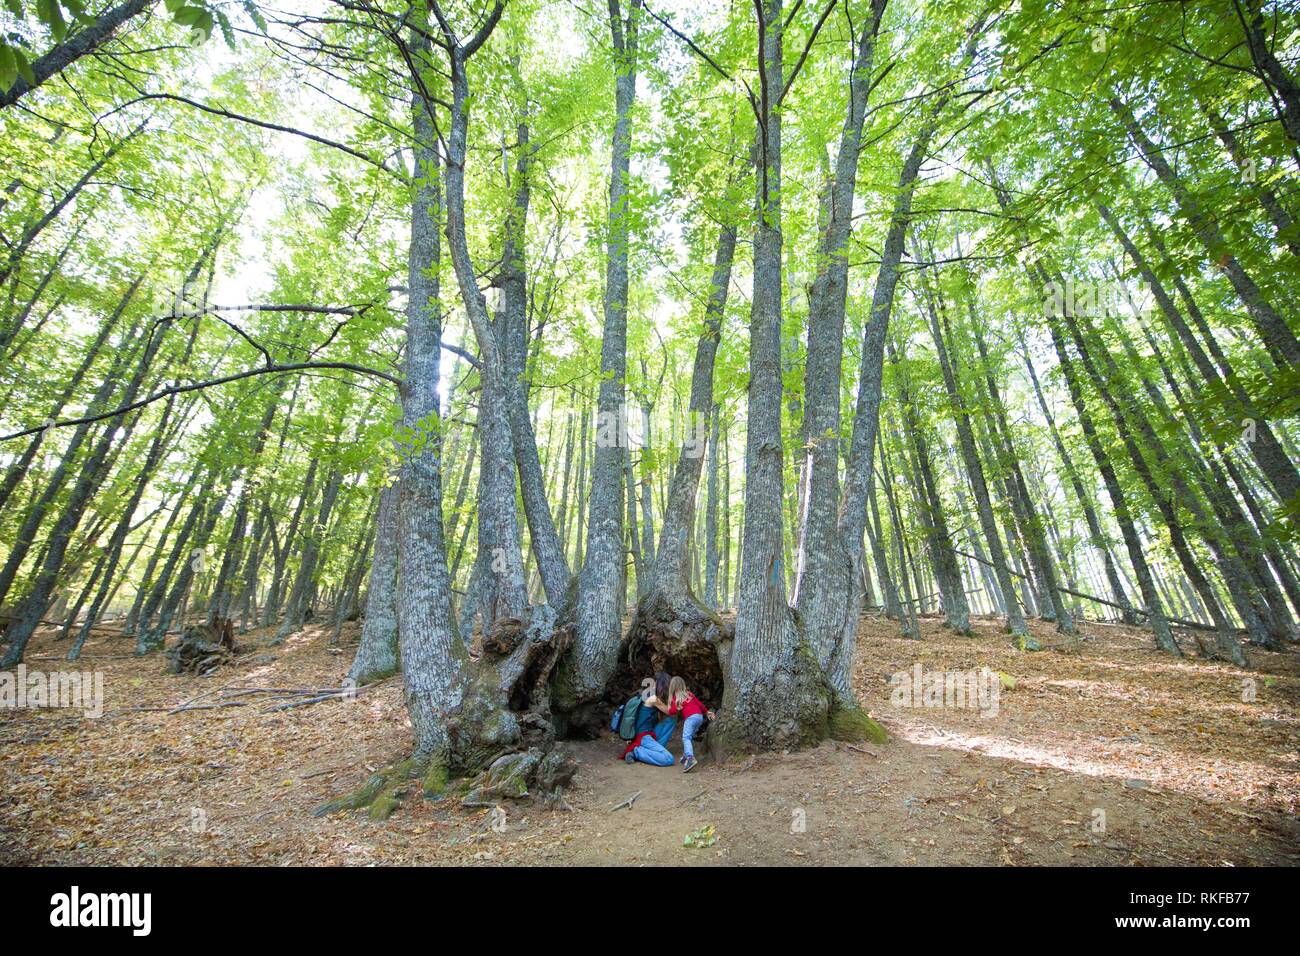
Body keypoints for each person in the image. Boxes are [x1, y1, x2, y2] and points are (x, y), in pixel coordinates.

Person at [651, 676, 714, 773]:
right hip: (699, 717)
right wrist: (707, 712)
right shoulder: (689, 694)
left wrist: (670, 704)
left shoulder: (676, 698)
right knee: (690, 736)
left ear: (672, 687)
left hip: (690, 718)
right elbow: (699, 704)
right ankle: (686, 755)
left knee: (686, 738)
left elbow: (671, 712)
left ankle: (690, 758)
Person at [622, 672, 677, 767]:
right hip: (642, 737)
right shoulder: (653, 699)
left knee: (670, 720)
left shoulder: (648, 694)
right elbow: (670, 711)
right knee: (668, 759)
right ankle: (636, 751)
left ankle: (650, 750)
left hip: (649, 733)